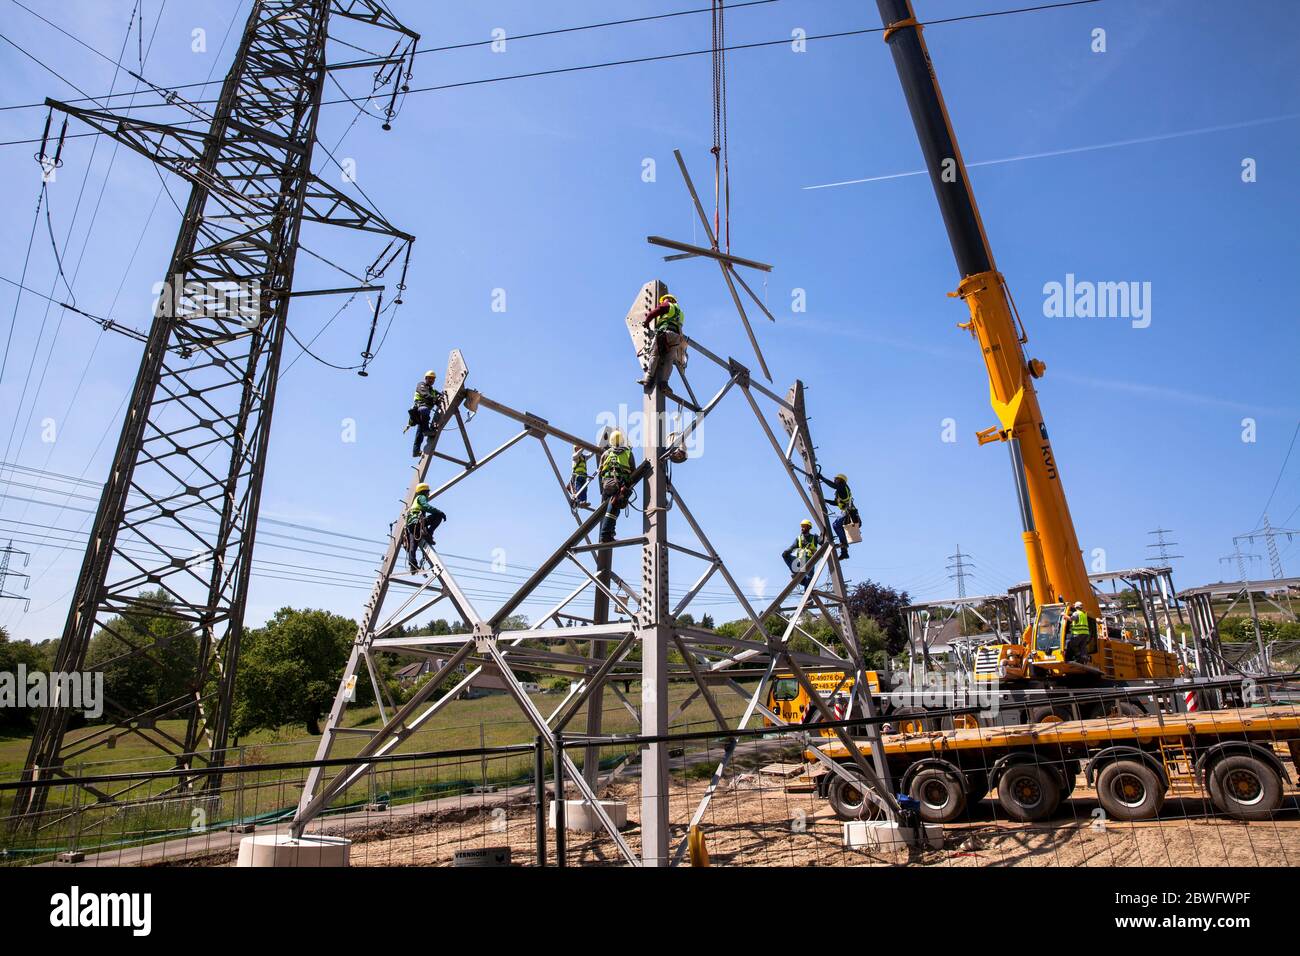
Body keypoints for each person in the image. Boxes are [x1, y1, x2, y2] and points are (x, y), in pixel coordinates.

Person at [639, 292, 686, 386]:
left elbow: (656, 311)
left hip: (665, 333)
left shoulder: (667, 305)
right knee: (669, 360)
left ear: (668, 299)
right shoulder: (681, 313)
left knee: (654, 354)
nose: (663, 302)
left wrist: (647, 321)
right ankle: (664, 383)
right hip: (676, 337)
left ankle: (649, 378)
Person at [598, 430, 636, 543]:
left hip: (607, 485)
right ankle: (606, 535)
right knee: (615, 508)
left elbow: (600, 470)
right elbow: (633, 470)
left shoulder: (606, 453)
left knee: (611, 509)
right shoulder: (628, 452)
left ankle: (609, 533)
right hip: (619, 485)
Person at [403, 482, 446, 574]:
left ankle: (412, 566)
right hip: (417, 522)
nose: (428, 494)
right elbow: (426, 506)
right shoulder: (421, 497)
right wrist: (440, 512)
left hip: (411, 525)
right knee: (438, 516)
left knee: (412, 545)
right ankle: (429, 533)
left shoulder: (414, 501)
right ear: (425, 492)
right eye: (428, 492)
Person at [817, 470, 861, 560]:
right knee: (841, 530)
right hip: (848, 513)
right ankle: (844, 552)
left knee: (836, 525)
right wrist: (825, 500)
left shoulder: (843, 487)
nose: (835, 480)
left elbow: (834, 486)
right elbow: (836, 503)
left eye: (836, 479)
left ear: (841, 480)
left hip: (850, 512)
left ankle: (844, 543)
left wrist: (822, 478)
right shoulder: (840, 491)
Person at [408, 369, 442, 458]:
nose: (431, 380)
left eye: (433, 379)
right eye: (429, 378)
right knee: (424, 410)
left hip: (424, 415)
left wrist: (441, 397)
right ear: (426, 378)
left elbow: (439, 395)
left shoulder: (433, 390)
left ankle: (415, 451)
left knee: (420, 431)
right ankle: (427, 430)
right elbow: (424, 394)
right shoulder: (421, 385)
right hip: (419, 409)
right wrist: (435, 399)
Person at [781, 519, 820, 589]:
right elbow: (792, 547)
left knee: (808, 580)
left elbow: (822, 542)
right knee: (785, 555)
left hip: (810, 561)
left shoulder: (814, 537)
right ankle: (796, 574)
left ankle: (808, 596)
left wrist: (823, 536)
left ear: (808, 527)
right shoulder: (799, 538)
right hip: (800, 561)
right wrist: (786, 552)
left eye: (804, 526)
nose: (802, 528)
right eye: (801, 526)